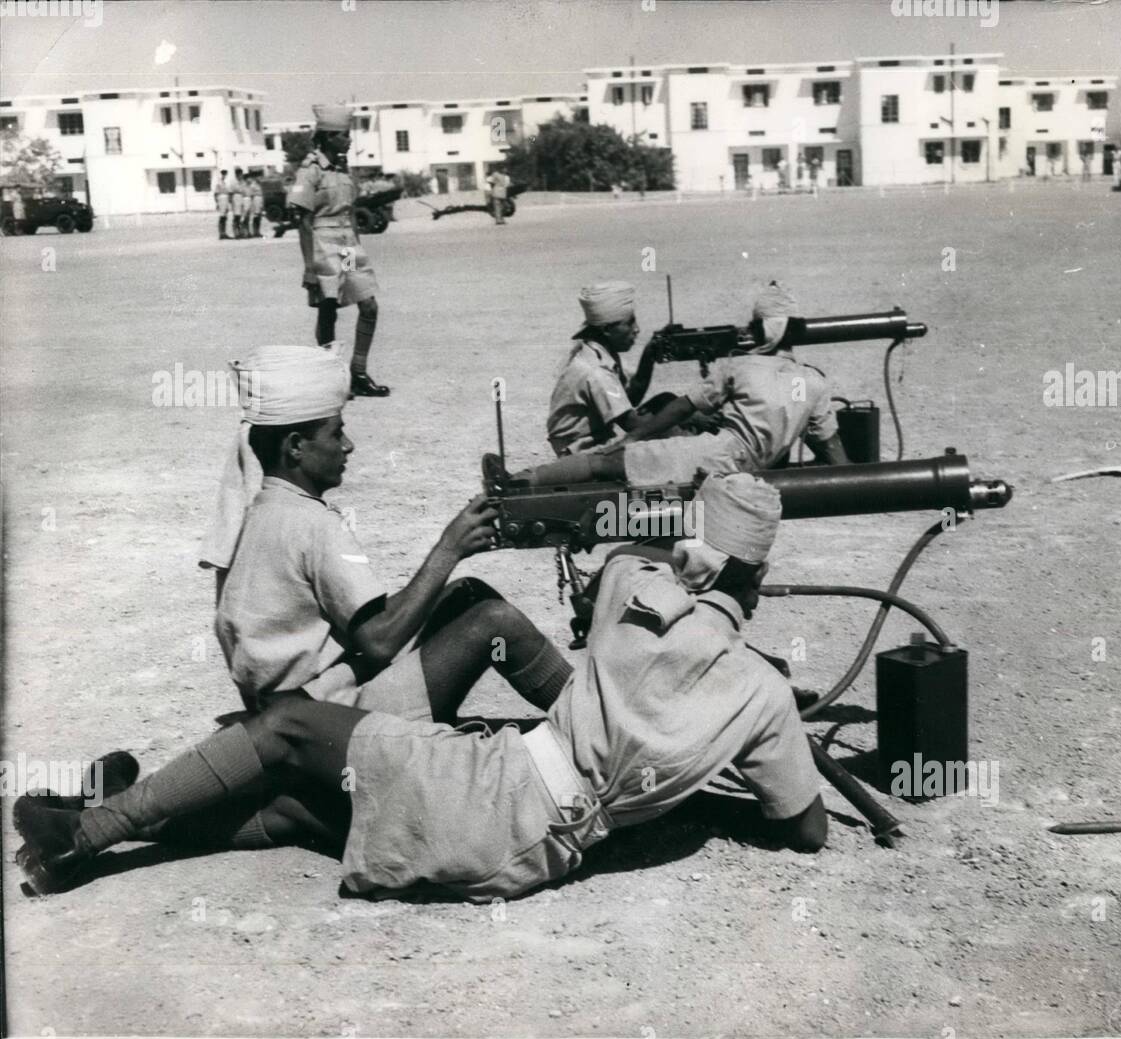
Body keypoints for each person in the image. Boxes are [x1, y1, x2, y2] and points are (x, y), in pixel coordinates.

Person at [14, 473, 826, 901]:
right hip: (545, 847)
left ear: (687, 545)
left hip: (499, 795)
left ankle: (87, 832)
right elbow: (807, 831)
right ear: (759, 573)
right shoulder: (761, 695)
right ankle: (98, 833)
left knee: (293, 725)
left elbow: (617, 552)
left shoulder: (628, 587)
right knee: (296, 809)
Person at [198, 345, 571, 720]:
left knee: (465, 594)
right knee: (495, 620)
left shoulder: (262, 508)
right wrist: (449, 548)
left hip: (298, 704)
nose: (348, 445)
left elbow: (362, 627)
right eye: (336, 433)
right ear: (295, 446)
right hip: (322, 720)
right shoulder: (314, 523)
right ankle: (596, 722)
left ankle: (586, 714)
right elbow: (379, 641)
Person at [492, 281, 850, 489]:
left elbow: (680, 406)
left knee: (611, 461)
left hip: (717, 457)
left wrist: (632, 442)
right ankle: (518, 481)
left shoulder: (739, 368)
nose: (635, 328)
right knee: (663, 431)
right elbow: (835, 459)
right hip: (744, 463)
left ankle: (517, 482)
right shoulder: (814, 383)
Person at [545, 281, 710, 460]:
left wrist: (649, 356)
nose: (637, 329)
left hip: (597, 439)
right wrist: (686, 415)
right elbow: (633, 424)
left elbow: (630, 398)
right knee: (675, 439)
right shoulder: (596, 371)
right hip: (581, 453)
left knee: (665, 400)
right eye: (629, 323)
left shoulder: (599, 353)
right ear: (607, 329)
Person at [288, 104, 388, 398]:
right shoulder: (310, 171)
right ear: (329, 136)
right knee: (328, 310)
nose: (349, 140)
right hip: (322, 243)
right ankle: (329, 378)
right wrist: (309, 267)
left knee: (368, 305)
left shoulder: (344, 170)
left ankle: (358, 372)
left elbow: (352, 212)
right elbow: (304, 222)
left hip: (347, 245)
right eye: (344, 135)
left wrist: (357, 248)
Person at [230, 168, 249, 238]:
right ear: (236, 174)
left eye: (241, 174)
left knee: (242, 216)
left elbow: (245, 191)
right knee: (236, 216)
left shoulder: (243, 182)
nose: (240, 176)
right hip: (236, 197)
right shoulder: (233, 182)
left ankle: (242, 232)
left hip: (242, 198)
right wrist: (231, 202)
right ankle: (236, 233)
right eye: (239, 174)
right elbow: (230, 193)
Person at [215, 168, 232, 240]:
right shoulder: (218, 183)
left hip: (225, 199)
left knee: (225, 216)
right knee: (222, 217)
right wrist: (217, 203)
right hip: (221, 199)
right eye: (223, 174)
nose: (224, 176)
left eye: (225, 175)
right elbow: (215, 193)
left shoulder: (225, 183)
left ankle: (224, 233)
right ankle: (221, 233)